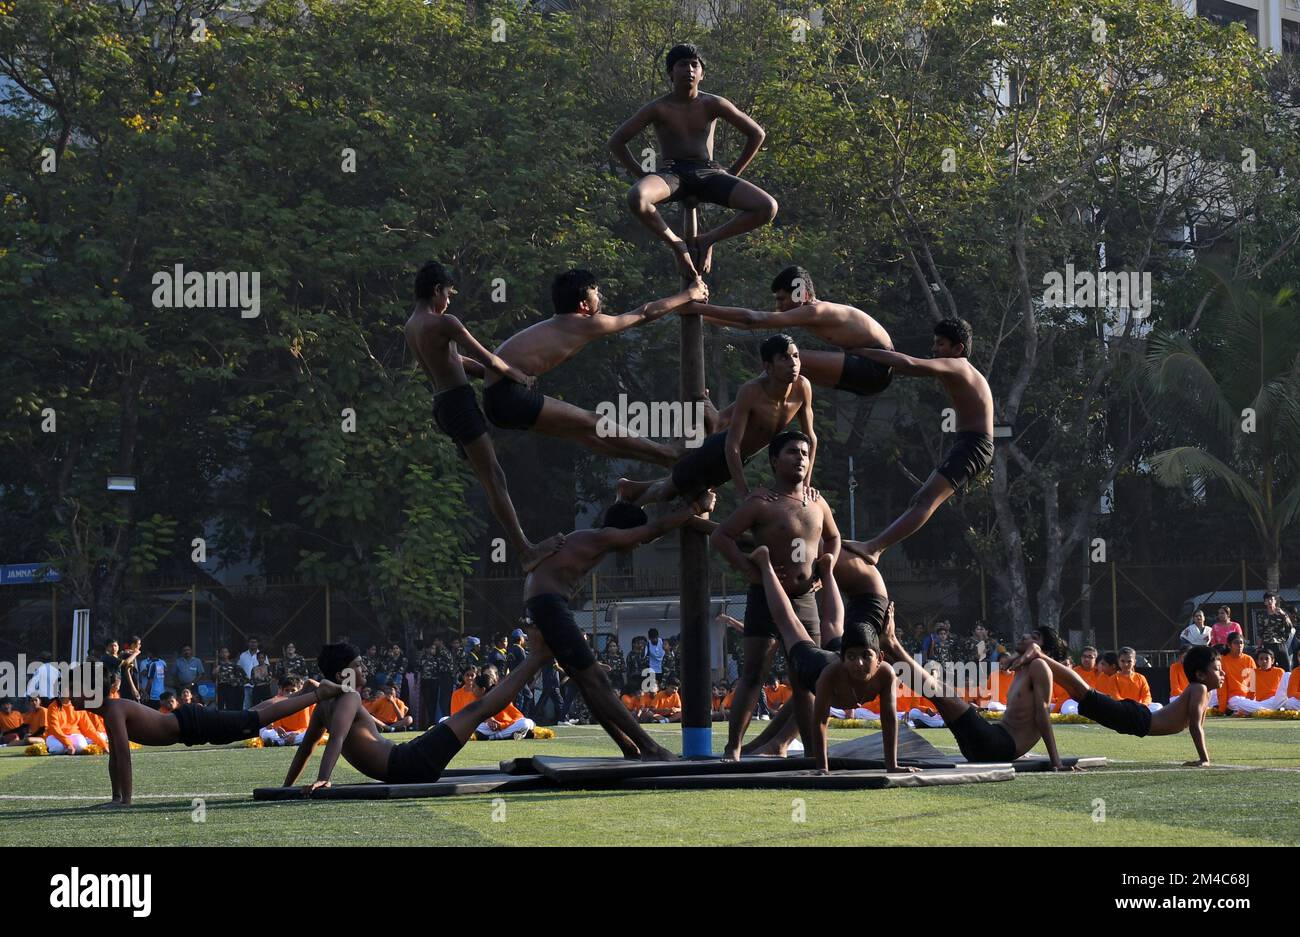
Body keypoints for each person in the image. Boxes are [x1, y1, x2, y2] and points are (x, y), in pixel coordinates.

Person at [522, 493, 717, 760]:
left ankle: (628, 746)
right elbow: (652, 530)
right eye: (634, 540)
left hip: (539, 603)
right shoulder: (605, 536)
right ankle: (650, 748)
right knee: (597, 680)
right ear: (624, 530)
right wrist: (695, 507)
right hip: (548, 604)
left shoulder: (591, 538)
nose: (637, 547)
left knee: (586, 680)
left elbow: (644, 533)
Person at [405, 260, 564, 571]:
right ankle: (525, 551)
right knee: (494, 477)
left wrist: (485, 373)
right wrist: (518, 376)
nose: (448, 301)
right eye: (448, 293)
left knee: (490, 477)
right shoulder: (445, 322)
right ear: (437, 290)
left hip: (444, 405)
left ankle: (523, 549)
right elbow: (486, 356)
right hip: (458, 405)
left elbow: (454, 360)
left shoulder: (412, 326)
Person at [481, 268, 705, 467]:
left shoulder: (558, 323)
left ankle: (664, 460)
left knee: (587, 435)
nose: (600, 296)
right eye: (596, 293)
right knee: (594, 421)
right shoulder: (584, 324)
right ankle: (668, 453)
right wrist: (688, 295)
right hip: (509, 395)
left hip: (495, 401)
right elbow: (643, 313)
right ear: (583, 305)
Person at [711, 430, 841, 760]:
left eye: (804, 453)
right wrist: (749, 568)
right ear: (774, 461)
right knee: (754, 672)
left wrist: (827, 565)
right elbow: (722, 535)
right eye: (792, 452)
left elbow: (835, 538)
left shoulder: (817, 501)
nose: (800, 458)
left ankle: (814, 752)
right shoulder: (761, 501)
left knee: (806, 678)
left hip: (804, 599)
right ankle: (733, 747)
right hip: (766, 598)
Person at [283, 639, 552, 791]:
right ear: (344, 674)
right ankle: (536, 658)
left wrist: (286, 787)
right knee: (479, 709)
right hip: (410, 763)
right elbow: (335, 739)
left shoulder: (325, 707)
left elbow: (306, 749)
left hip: (408, 758)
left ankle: (536, 659)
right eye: (358, 665)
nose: (364, 668)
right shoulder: (348, 697)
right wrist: (323, 778)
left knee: (477, 710)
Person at [608, 42, 774, 278]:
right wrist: (642, 174)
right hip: (672, 174)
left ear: (702, 74)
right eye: (682, 65)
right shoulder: (659, 108)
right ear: (671, 73)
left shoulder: (713, 103)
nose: (689, 70)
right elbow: (616, 141)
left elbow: (757, 134)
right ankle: (678, 245)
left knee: (767, 207)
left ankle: (707, 240)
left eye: (694, 65)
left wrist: (733, 172)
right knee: (637, 197)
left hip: (708, 172)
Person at [846, 319, 995, 567]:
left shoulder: (957, 365)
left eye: (940, 343)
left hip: (974, 445)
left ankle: (874, 547)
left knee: (925, 500)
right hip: (968, 443)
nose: (934, 348)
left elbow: (909, 364)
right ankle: (874, 546)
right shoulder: (956, 367)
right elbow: (909, 368)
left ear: (958, 348)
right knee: (921, 498)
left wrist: (859, 351)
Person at [747, 547, 908, 772]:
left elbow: (889, 720)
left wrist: (892, 766)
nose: (859, 663)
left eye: (866, 656)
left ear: (880, 657)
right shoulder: (830, 675)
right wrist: (822, 767)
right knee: (789, 622)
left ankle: (827, 570)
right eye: (851, 657)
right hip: (813, 664)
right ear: (844, 657)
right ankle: (765, 563)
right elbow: (820, 720)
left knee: (834, 626)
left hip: (835, 656)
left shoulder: (886, 675)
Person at [616, 333, 815, 507]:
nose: (793, 363)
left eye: (796, 356)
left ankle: (630, 488)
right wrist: (744, 493)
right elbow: (732, 445)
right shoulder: (751, 391)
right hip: (720, 449)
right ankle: (631, 513)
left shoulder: (802, 387)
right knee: (669, 492)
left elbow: (811, 439)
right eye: (784, 358)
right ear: (768, 367)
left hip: (742, 458)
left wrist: (805, 485)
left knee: (689, 488)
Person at [87, 675, 346, 805]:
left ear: (92, 692)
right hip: (189, 724)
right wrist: (116, 797)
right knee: (252, 715)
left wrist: (126, 801)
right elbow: (115, 758)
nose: (67, 693)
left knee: (252, 721)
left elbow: (125, 758)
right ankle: (305, 692)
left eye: (74, 687)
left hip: (193, 724)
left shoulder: (114, 709)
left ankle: (316, 694)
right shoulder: (111, 710)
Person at [878, 607, 1070, 769]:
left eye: (1034, 636)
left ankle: (892, 644)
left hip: (998, 746)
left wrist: (1056, 761)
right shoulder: (1024, 669)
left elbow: (1042, 715)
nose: (1026, 635)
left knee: (940, 691)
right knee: (937, 693)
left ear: (1044, 649)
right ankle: (889, 655)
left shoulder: (1040, 667)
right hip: (989, 744)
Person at [689, 266, 896, 399]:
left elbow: (753, 319)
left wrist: (698, 308)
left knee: (788, 361)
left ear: (801, 294)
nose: (778, 306)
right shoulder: (806, 310)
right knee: (787, 373)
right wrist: (700, 316)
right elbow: (747, 325)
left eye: (782, 299)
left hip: (876, 367)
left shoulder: (815, 311)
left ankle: (733, 414)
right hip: (867, 377)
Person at [1021, 645, 1221, 766]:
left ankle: (1043, 660)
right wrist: (1204, 759)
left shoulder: (1202, 690)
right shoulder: (1199, 689)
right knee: (1084, 693)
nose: (1222, 675)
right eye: (1217, 670)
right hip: (1137, 718)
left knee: (1083, 695)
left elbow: (1194, 725)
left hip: (1136, 720)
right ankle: (1041, 656)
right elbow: (1195, 727)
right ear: (1201, 674)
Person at [471, 670, 535, 739]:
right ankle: (519, 734)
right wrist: (488, 720)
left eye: (474, 686)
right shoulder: (475, 698)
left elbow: (516, 718)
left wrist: (500, 726)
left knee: (526, 723)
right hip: (490, 729)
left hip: (507, 725)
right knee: (476, 726)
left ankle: (493, 737)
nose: (472, 689)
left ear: (482, 690)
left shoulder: (500, 698)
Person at [1227, 649, 1287, 714]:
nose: (1264, 661)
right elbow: (1251, 694)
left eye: (1267, 659)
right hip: (1260, 703)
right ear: (1257, 661)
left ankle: (1263, 711)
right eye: (1261, 659)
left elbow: (1283, 691)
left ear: (1272, 661)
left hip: (1275, 700)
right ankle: (1268, 711)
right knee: (1241, 703)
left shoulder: (1279, 671)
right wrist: (1248, 703)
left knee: (1287, 676)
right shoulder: (1253, 673)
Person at [1217, 633, 1256, 714]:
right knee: (1243, 704)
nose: (1239, 645)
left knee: (1248, 705)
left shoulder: (1249, 659)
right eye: (1236, 643)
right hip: (1233, 698)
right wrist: (1222, 708)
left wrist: (1252, 699)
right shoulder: (1222, 660)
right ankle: (1268, 711)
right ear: (1229, 645)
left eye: (1241, 643)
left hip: (1248, 699)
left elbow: (1253, 684)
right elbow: (1222, 687)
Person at [1113, 647, 1162, 713]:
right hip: (1123, 708)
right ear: (1118, 661)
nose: (1126, 664)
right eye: (1122, 661)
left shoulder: (1141, 678)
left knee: (1158, 706)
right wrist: (1130, 706)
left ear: (1134, 662)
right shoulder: (1113, 678)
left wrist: (1142, 705)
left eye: (1129, 661)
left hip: (1139, 707)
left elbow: (1147, 696)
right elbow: (1116, 697)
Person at [1258, 592, 1294, 670]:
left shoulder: (1281, 614)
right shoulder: (1262, 615)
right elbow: (1260, 632)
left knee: (1286, 667)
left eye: (1271, 599)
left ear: (1275, 601)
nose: (1270, 602)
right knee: (1269, 668)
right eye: (1267, 600)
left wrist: (1283, 615)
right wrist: (1259, 647)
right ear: (1265, 602)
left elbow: (1289, 627)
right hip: (1268, 644)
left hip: (1280, 643)